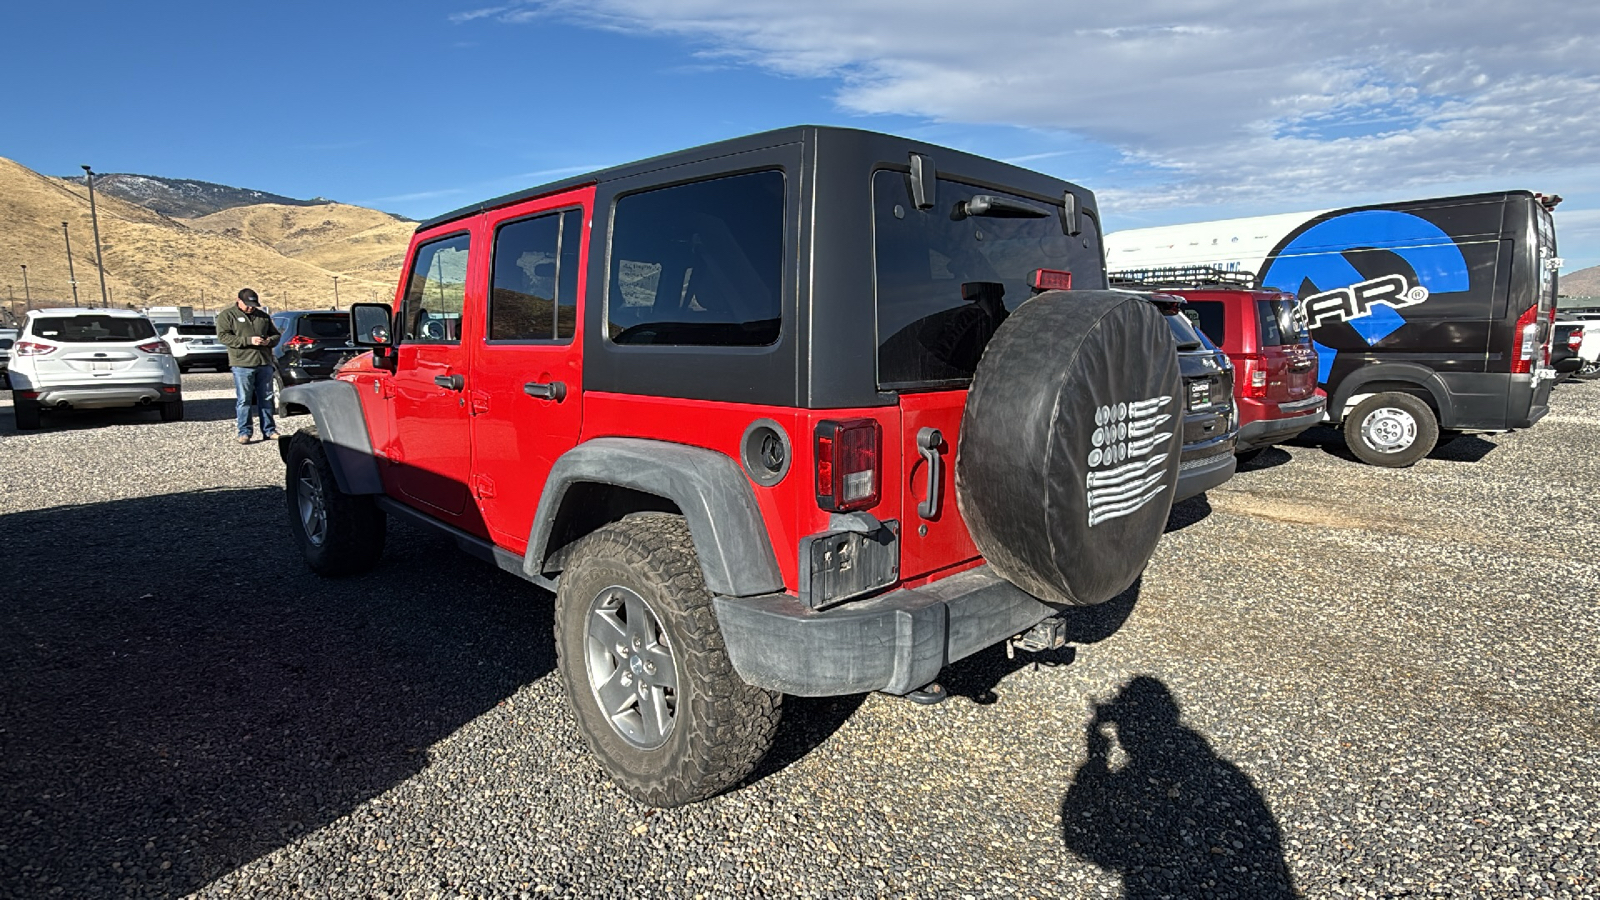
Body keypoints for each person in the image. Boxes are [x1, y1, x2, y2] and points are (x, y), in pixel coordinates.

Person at [215, 288, 281, 444]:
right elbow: (224, 337)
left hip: (264, 362)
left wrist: (268, 341)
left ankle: (269, 430)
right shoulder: (227, 316)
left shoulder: (263, 316)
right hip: (242, 364)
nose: (251, 308)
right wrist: (248, 341)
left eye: (253, 305)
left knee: (266, 398)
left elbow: (276, 335)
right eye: (248, 304)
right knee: (244, 399)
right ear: (239, 301)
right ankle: (244, 431)